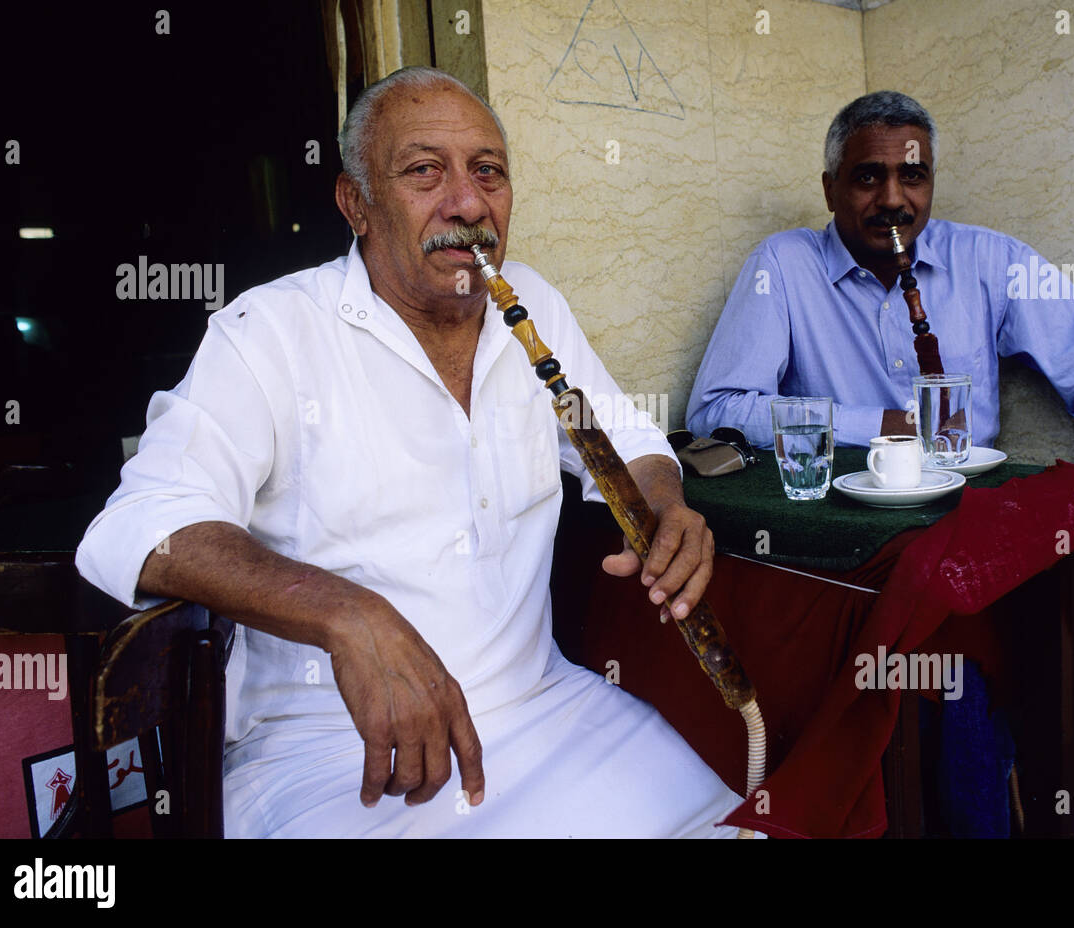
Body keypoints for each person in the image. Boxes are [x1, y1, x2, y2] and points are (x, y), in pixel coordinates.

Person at [76, 67, 741, 838]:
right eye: (425, 171)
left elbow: (625, 437)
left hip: (548, 709)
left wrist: (665, 503)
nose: (467, 203)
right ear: (355, 204)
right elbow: (138, 524)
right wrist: (343, 612)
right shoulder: (270, 333)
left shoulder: (530, 302)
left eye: (487, 172)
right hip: (339, 760)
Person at [687, 91, 1074, 837]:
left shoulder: (987, 261)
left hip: (995, 543)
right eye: (867, 178)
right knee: (958, 696)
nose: (893, 199)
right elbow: (719, 408)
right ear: (831, 188)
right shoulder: (785, 266)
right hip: (876, 562)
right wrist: (888, 427)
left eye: (913, 178)